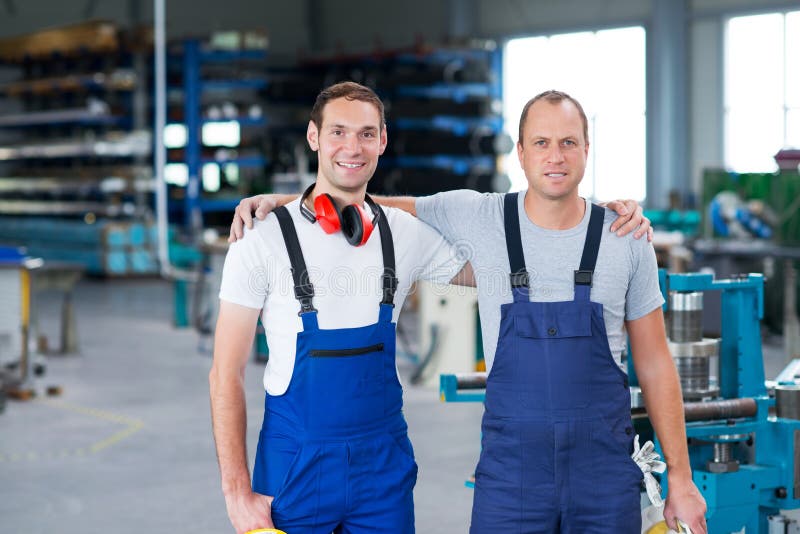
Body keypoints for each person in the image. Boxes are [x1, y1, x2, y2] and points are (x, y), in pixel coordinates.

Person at [228, 90, 707, 533]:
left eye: (568, 143)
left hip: (603, 476)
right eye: (541, 142)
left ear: (587, 149)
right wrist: (290, 204)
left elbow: (656, 362)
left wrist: (681, 481)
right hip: (510, 479)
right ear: (519, 152)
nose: (555, 156)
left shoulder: (625, 240)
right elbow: (374, 205)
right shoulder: (479, 217)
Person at [209, 82, 468, 534]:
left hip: (383, 473)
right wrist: (236, 492)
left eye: (367, 134)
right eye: (339, 132)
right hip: (294, 472)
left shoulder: (404, 234)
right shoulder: (263, 238)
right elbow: (224, 374)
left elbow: (492, 266)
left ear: (383, 140)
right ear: (314, 137)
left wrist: (589, 216)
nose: (353, 146)